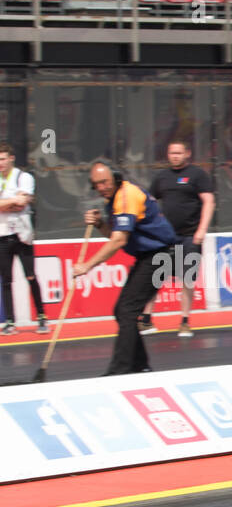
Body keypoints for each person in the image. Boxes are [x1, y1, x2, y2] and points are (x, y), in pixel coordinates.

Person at [75, 161, 178, 376]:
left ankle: (120, 370)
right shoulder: (113, 201)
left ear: (115, 177)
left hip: (161, 255)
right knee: (123, 311)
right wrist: (100, 224)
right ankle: (139, 365)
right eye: (96, 184)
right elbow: (113, 235)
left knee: (127, 310)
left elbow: (118, 241)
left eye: (104, 182)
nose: (101, 187)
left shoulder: (126, 195)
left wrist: (87, 265)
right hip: (149, 256)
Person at [139, 140, 215, 338]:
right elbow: (151, 202)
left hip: (190, 236)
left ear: (187, 153)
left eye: (179, 153)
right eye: (172, 153)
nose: (175, 156)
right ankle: (146, 321)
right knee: (156, 277)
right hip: (165, 238)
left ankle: (184, 322)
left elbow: (208, 202)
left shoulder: (197, 175)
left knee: (187, 279)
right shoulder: (161, 177)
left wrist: (202, 230)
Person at [0, 142, 47, 335]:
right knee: (6, 280)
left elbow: (22, 202)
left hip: (23, 235)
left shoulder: (24, 177)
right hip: (2, 234)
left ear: (11, 158)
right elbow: (16, 202)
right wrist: (13, 202)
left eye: (2, 159)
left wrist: (6, 203)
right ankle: (11, 321)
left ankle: (42, 317)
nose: (0, 163)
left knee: (30, 276)